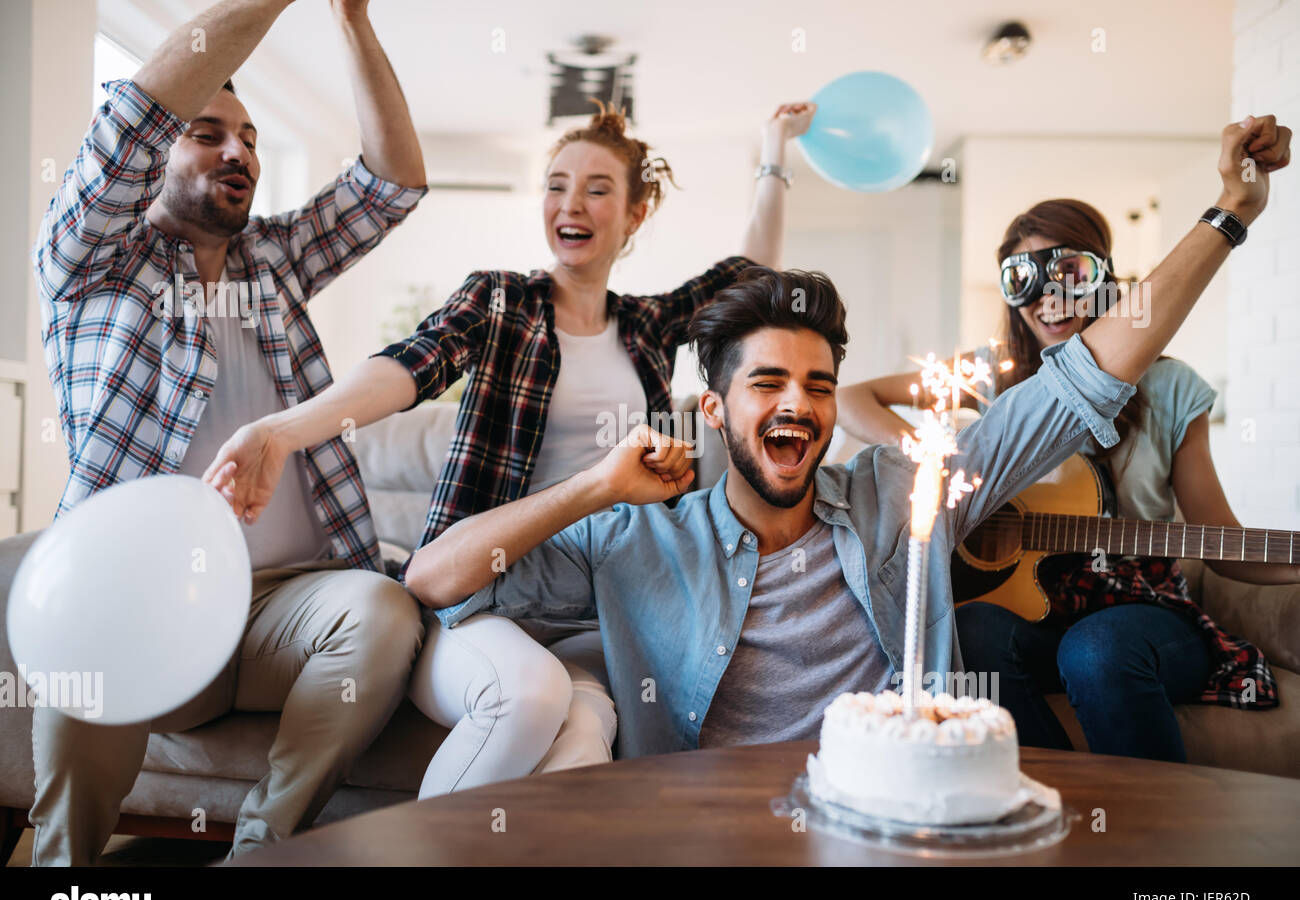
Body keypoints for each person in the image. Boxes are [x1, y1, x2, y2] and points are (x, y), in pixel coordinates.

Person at [400, 113, 1290, 759]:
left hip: (880, 823)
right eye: (768, 384)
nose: (800, 404)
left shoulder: (906, 493)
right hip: (700, 829)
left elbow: (1094, 367)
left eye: (819, 385)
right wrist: (596, 486)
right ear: (713, 410)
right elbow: (436, 581)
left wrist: (1230, 215)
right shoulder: (638, 534)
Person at [203, 99, 816, 794]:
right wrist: (284, 430)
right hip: (480, 594)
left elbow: (751, 274)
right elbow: (409, 366)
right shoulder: (501, 302)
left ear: (636, 213)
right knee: (530, 698)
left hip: (592, 604)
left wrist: (774, 150)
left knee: (588, 728)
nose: (570, 203)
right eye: (556, 185)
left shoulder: (649, 326)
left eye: (596, 188)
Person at [30, 0, 428, 865]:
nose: (238, 151)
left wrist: (353, 20)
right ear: (153, 155)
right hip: (141, 604)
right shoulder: (89, 260)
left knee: (381, 609)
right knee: (79, 643)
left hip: (283, 606)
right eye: (207, 132)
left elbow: (392, 185)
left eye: (247, 137)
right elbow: (133, 118)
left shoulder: (274, 260)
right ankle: (66, 889)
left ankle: (262, 852)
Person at [838, 194, 1298, 764]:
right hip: (1036, 612)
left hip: (1145, 616)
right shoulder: (994, 373)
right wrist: (934, 460)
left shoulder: (1172, 387)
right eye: (1021, 279)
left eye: (1070, 273)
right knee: (972, 628)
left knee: (1096, 648)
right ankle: (1046, 801)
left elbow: (1223, 544)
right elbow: (851, 398)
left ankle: (1144, 833)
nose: (1048, 298)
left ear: (1103, 274)